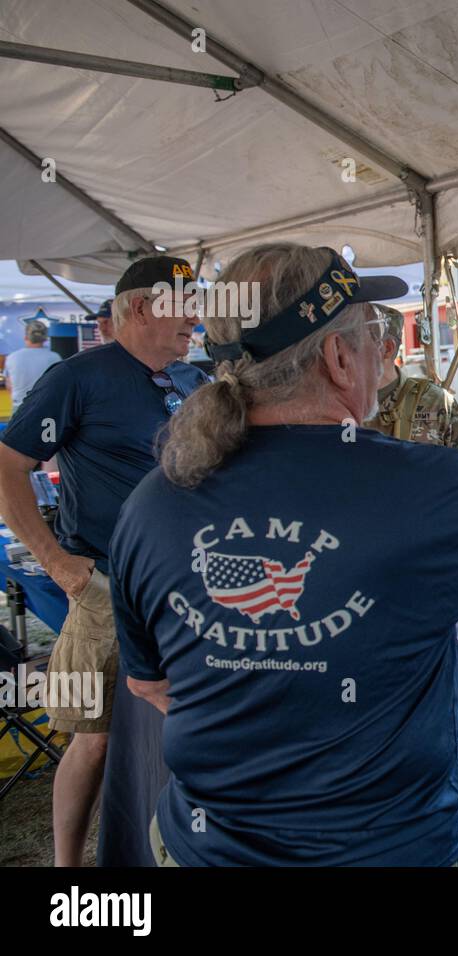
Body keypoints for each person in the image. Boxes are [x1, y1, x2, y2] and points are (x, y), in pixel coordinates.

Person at [109, 243, 458, 866]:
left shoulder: (152, 500)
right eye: (372, 334)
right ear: (339, 358)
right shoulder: (434, 488)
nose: (381, 350)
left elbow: (149, 683)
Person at [0, 256, 206, 866]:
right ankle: (68, 868)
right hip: (107, 587)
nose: (195, 316)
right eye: (183, 304)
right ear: (141, 309)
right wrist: (57, 562)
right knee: (93, 738)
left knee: (182, 728)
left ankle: (164, 849)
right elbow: (9, 466)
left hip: (189, 591)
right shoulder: (78, 378)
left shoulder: (193, 382)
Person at [365, 304, 458, 472]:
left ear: (387, 349)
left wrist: (432, 475)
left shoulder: (435, 402)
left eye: (355, 341)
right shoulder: (336, 403)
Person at [4, 320, 61, 410]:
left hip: (20, 407)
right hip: (47, 407)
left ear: (26, 337)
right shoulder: (55, 357)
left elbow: (9, 386)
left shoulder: (12, 357)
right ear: (45, 338)